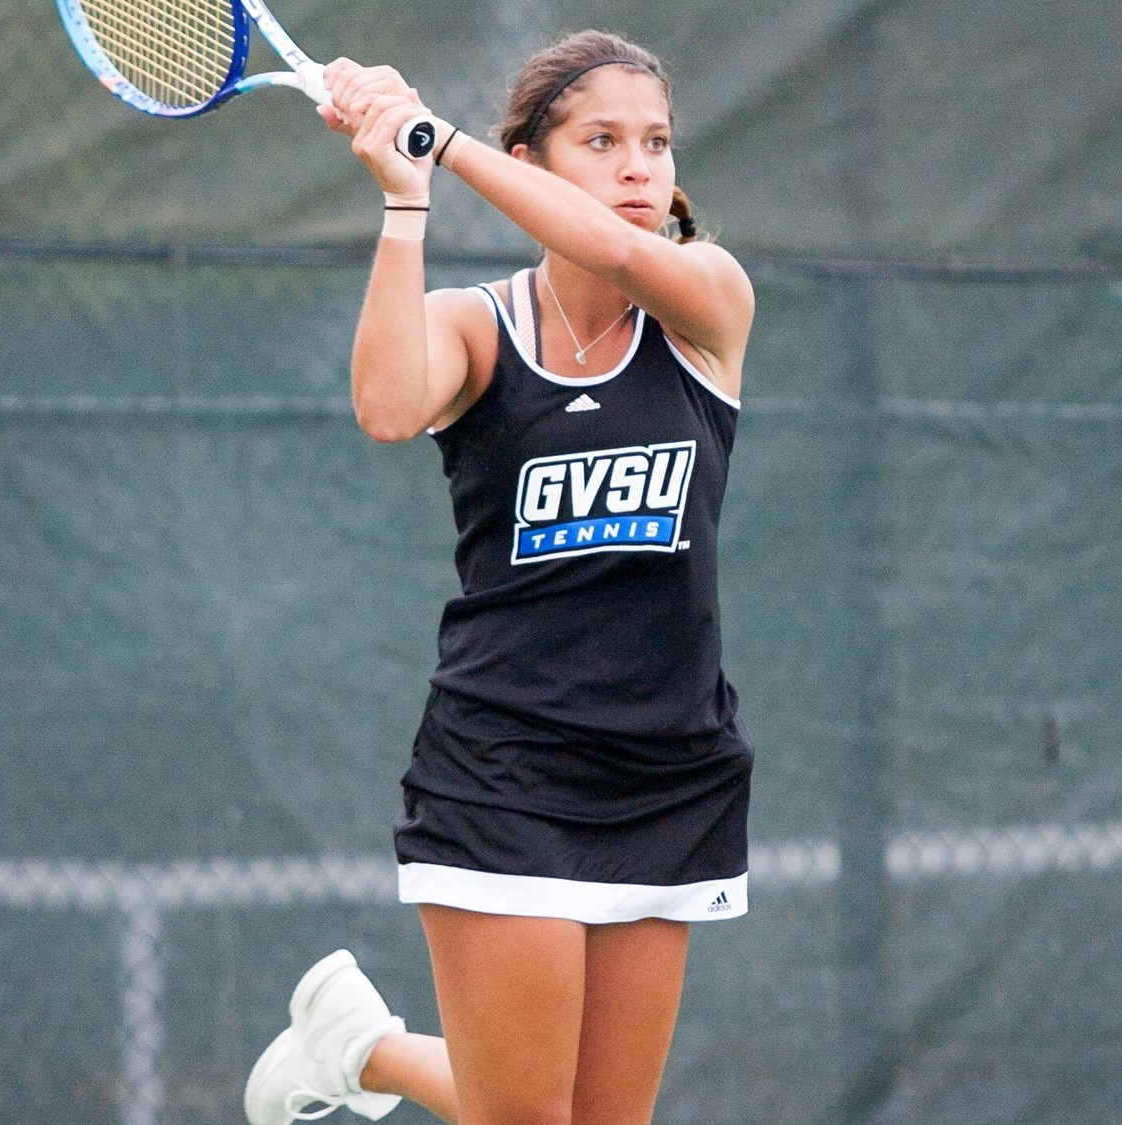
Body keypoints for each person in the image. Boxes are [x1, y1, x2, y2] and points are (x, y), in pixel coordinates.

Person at [245, 29, 756, 1125]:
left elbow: (617, 255)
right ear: (531, 163)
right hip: (503, 769)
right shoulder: (479, 327)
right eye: (601, 142)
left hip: (668, 772)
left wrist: (441, 139)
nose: (637, 167)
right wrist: (405, 198)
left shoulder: (707, 302)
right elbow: (388, 407)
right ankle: (368, 1052)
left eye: (655, 142)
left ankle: (362, 1051)